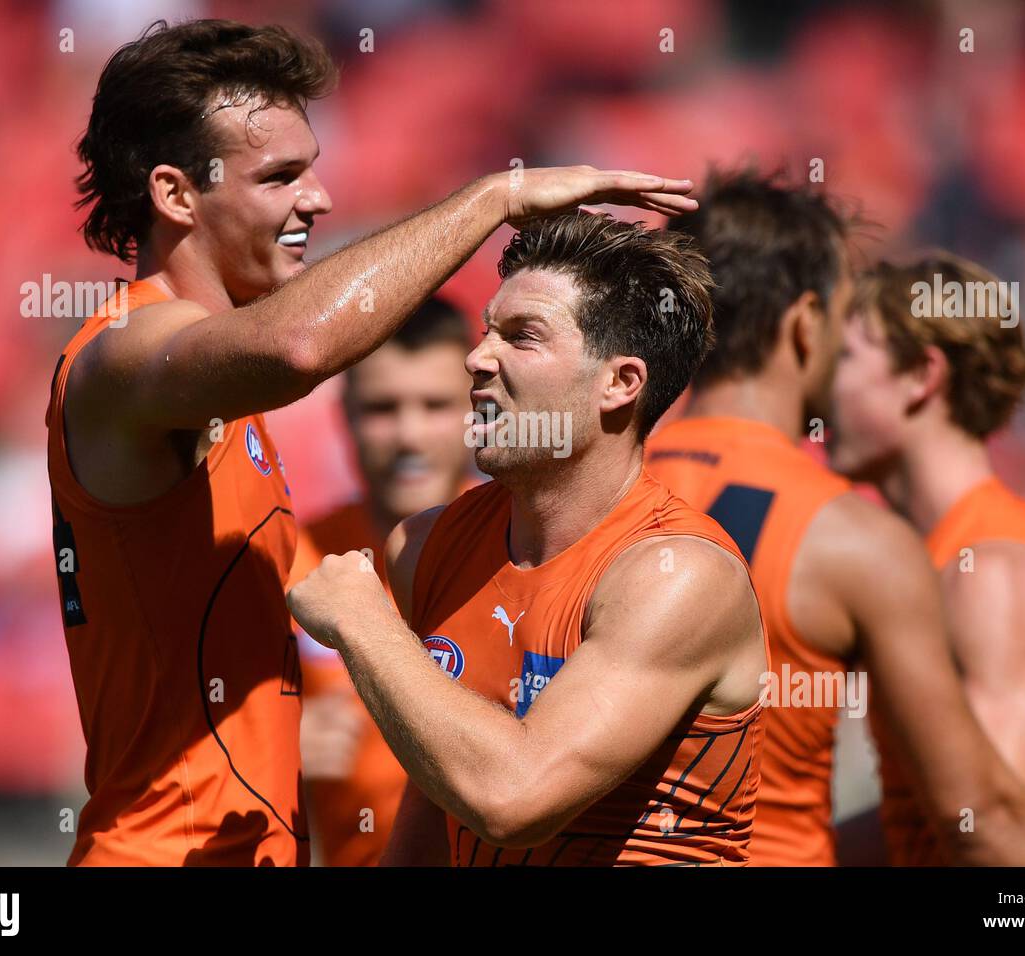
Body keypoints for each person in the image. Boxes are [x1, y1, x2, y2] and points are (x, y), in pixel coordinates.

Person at [48, 17, 698, 866]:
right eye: (280, 177)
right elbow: (301, 347)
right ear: (176, 195)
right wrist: (494, 199)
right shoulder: (123, 356)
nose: (315, 200)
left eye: (312, 169)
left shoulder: (212, 381)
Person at [288, 214, 769, 866]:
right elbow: (440, 796)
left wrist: (362, 622)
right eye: (488, 330)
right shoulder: (428, 547)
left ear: (620, 383)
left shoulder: (674, 574)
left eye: (522, 337)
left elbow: (513, 800)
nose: (477, 357)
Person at [647, 169, 1025, 865]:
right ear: (806, 325)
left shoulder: (590, 495)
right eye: (843, 321)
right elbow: (980, 815)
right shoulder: (850, 538)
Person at [826, 253, 1025, 865]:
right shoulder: (939, 556)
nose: (823, 384)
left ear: (921, 377)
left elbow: (993, 834)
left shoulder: (992, 573)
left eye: (845, 358)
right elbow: (922, 818)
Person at [293, 297, 476, 866]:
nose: (409, 435)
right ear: (341, 413)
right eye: (382, 407)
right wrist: (272, 749)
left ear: (479, 411)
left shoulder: (528, 547)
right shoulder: (293, 559)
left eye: (436, 405)